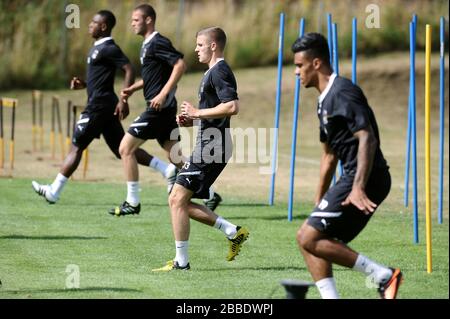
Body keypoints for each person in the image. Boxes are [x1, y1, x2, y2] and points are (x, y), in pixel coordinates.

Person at [292, 33, 403, 299]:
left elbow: (367, 137)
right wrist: (319, 199)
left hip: (368, 178)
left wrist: (358, 187)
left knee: (308, 238)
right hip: (354, 178)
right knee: (309, 240)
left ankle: (384, 276)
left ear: (316, 63)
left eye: (299, 65)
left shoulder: (342, 92)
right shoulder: (323, 102)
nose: (296, 72)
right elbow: (329, 155)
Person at [32, 10, 177, 206]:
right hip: (102, 105)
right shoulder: (96, 47)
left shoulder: (109, 47)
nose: (89, 25)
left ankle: (54, 191)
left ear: (103, 26)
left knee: (77, 146)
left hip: (99, 106)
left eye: (93, 22)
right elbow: (99, 78)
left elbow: (128, 68)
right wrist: (83, 84)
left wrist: (124, 99)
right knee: (122, 150)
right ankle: (166, 169)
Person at [110, 4, 222, 216]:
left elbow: (180, 65)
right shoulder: (146, 45)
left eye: (136, 20)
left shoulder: (158, 42)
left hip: (158, 109)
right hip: (162, 109)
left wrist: (162, 94)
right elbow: (155, 76)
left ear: (149, 20)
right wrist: (134, 87)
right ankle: (209, 193)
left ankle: (132, 202)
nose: (132, 23)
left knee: (125, 148)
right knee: (176, 156)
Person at [152, 27, 249, 272]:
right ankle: (232, 232)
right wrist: (193, 120)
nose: (196, 49)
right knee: (178, 201)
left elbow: (232, 107)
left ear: (213, 46)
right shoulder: (211, 73)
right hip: (208, 144)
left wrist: (197, 112)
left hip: (213, 147)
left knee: (176, 198)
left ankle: (181, 263)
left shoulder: (220, 71)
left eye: (200, 45)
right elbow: (217, 112)